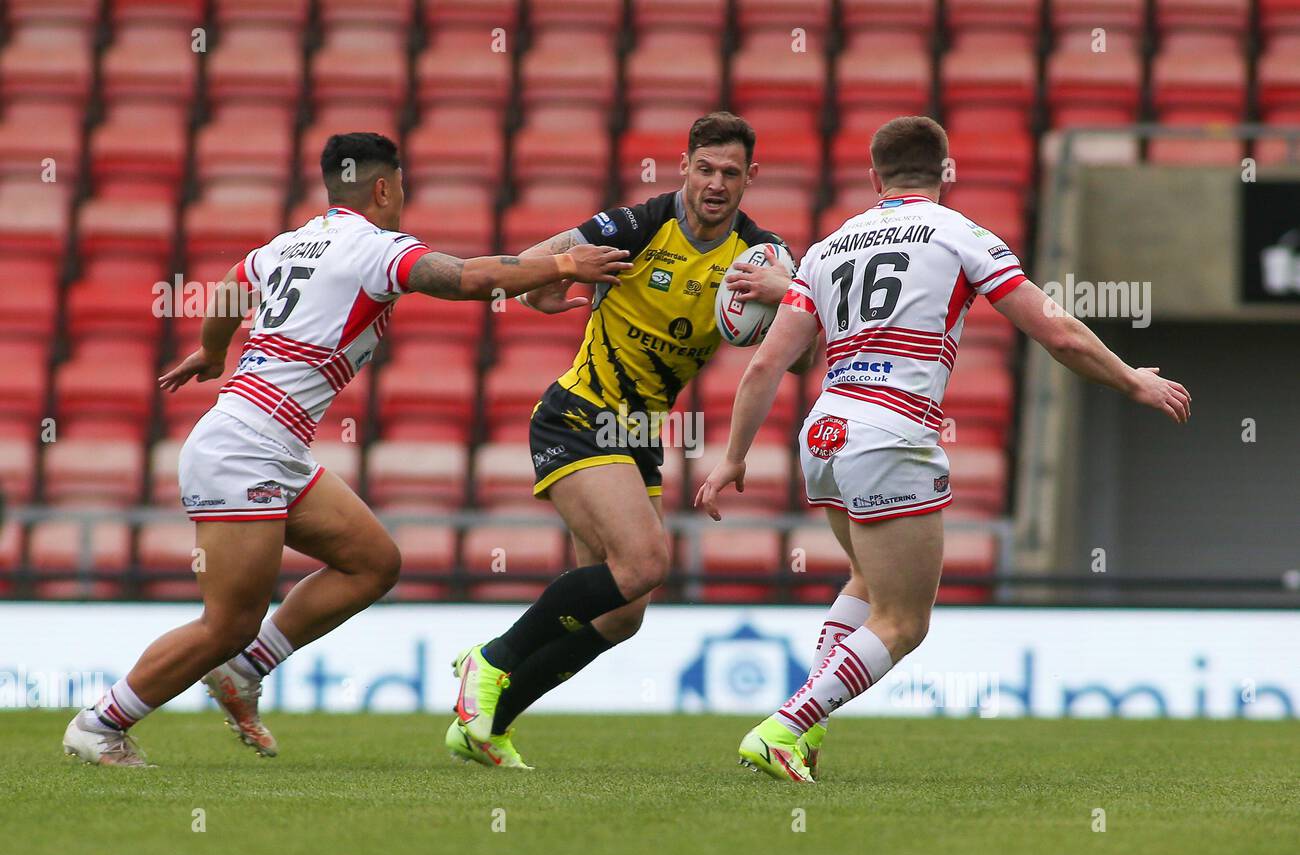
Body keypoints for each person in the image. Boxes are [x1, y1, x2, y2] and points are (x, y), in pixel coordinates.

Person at [62, 132, 631, 766]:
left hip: (267, 444)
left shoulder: (289, 243)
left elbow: (229, 283)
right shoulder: (374, 249)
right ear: (385, 187)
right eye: (402, 190)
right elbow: (470, 278)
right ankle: (99, 724)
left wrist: (215, 351)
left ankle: (244, 671)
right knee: (226, 622)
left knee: (372, 562)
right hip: (242, 449)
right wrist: (562, 264)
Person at [696, 116, 1191, 783]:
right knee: (904, 622)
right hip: (891, 429)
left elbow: (763, 368)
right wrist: (1133, 381)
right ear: (945, 172)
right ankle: (785, 727)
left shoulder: (828, 248)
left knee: (867, 584)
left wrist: (732, 458)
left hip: (824, 432)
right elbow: (1057, 332)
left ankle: (802, 732)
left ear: (875, 178)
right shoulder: (959, 234)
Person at [446, 112, 808, 769]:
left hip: (637, 436)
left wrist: (791, 301)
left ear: (751, 177)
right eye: (705, 169)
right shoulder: (639, 226)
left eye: (731, 172)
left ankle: (487, 724)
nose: (716, 183)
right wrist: (550, 279)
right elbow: (531, 268)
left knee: (620, 613)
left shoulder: (763, 259)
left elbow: (801, 360)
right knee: (644, 564)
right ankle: (489, 661)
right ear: (684, 167)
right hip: (580, 415)